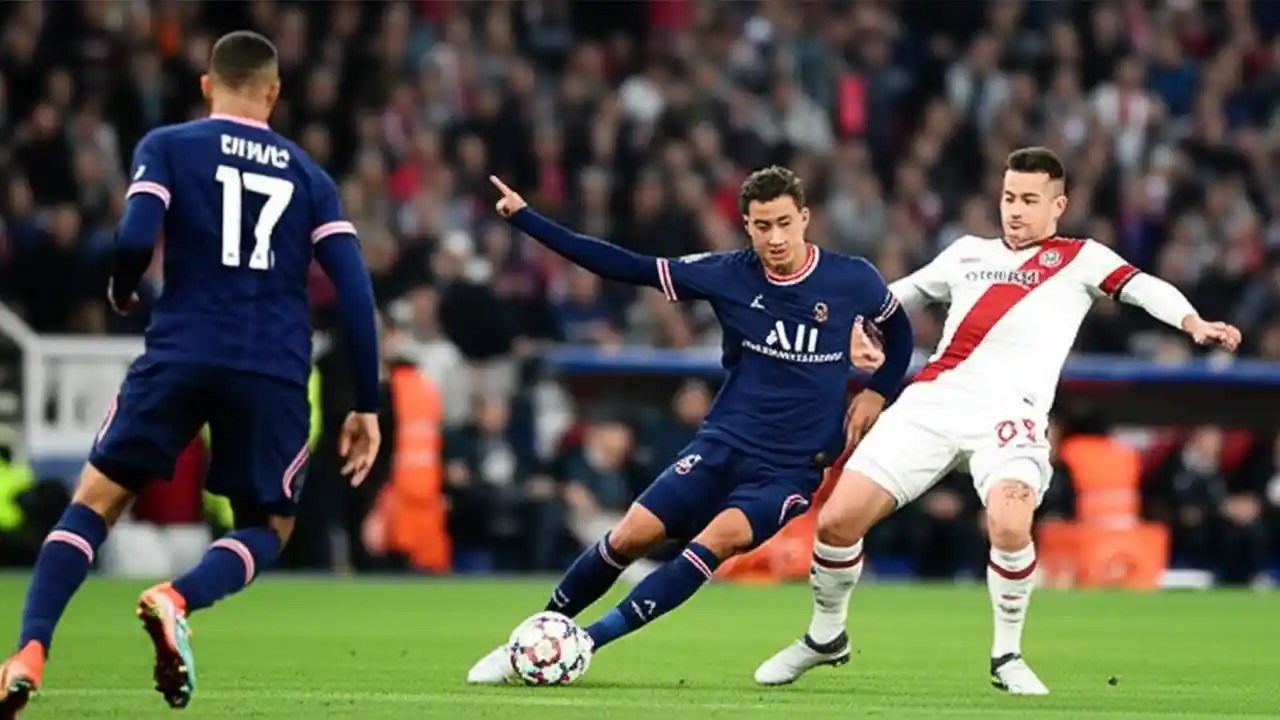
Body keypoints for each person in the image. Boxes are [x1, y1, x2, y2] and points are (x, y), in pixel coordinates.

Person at [754, 146, 1242, 695]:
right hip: (934, 402)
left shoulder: (1081, 258)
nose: (1015, 210)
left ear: (1058, 205)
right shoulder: (965, 253)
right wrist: (855, 324)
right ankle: (825, 637)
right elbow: (900, 296)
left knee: (1010, 523)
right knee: (836, 523)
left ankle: (1006, 655)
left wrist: (1191, 320)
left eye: (1029, 200)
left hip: (1012, 416)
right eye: (1009, 197)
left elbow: (1143, 287)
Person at [0, 31, 381, 717]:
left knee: (93, 504)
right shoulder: (309, 176)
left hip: (183, 349)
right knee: (269, 526)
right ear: (273, 92)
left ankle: (29, 651)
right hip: (272, 367)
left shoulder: (169, 145)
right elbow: (355, 293)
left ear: (208, 86)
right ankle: (177, 598)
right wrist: (369, 404)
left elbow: (136, 237)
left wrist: (122, 288)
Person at [467, 166, 915, 683]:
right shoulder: (727, 273)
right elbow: (624, 267)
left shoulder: (851, 278)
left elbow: (899, 335)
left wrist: (877, 393)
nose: (774, 238)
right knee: (629, 537)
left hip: (789, 469)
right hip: (723, 442)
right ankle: (534, 637)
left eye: (784, 223)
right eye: (762, 225)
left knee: (714, 542)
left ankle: (585, 643)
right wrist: (527, 219)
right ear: (746, 225)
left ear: (805, 219)